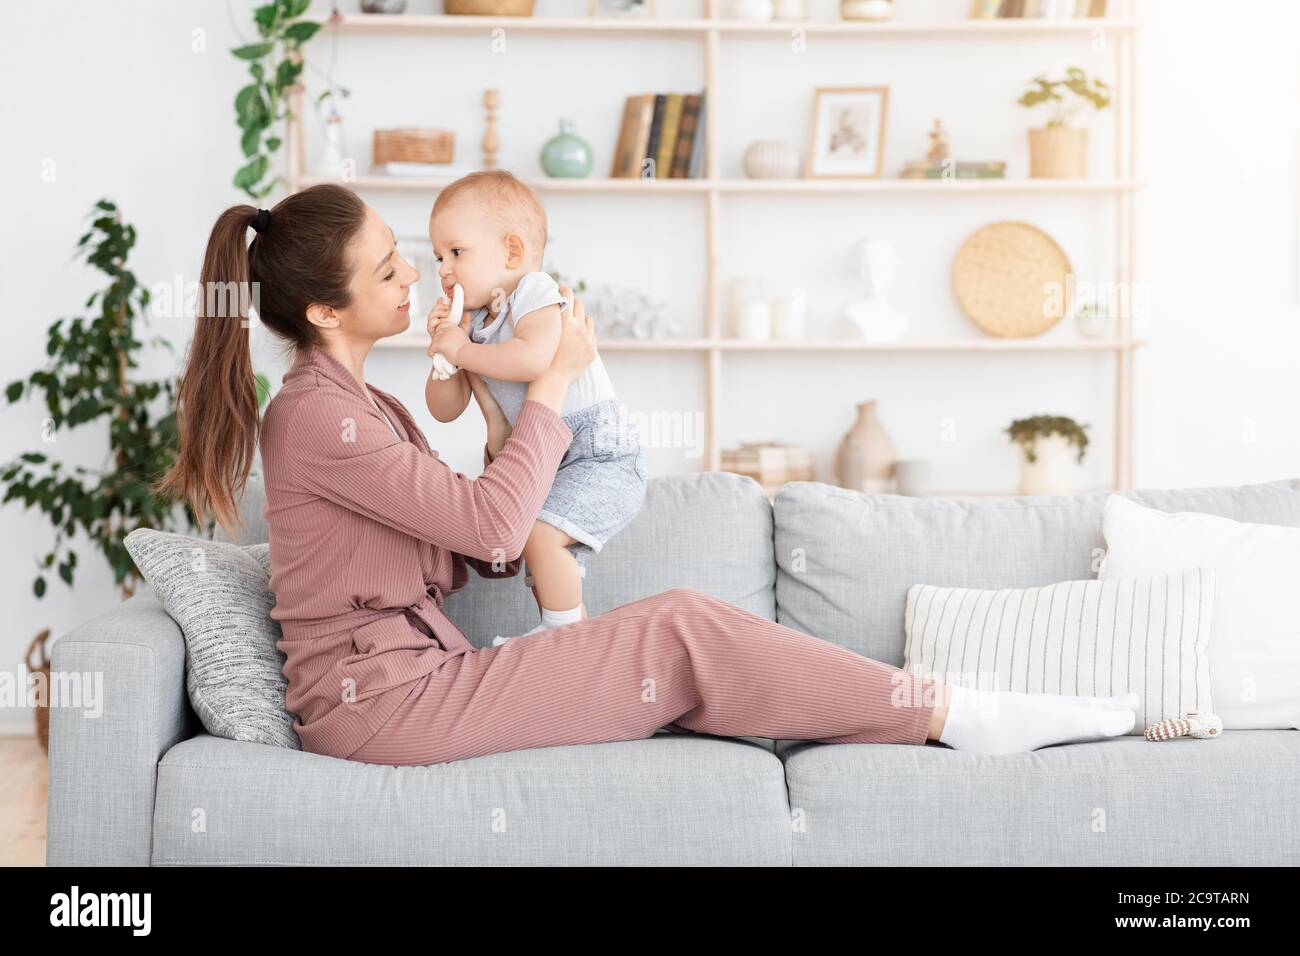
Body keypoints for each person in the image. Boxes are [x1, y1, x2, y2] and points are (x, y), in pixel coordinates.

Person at [157, 183, 1138, 767]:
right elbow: (493, 532)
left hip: (415, 676)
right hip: (381, 706)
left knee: (688, 619)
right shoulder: (319, 418)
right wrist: (552, 387)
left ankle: (934, 706)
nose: (416, 275)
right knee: (677, 625)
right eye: (385, 273)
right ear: (326, 313)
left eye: (402, 256)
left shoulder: (374, 405)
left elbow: (464, 551)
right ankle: (956, 713)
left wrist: (510, 476)